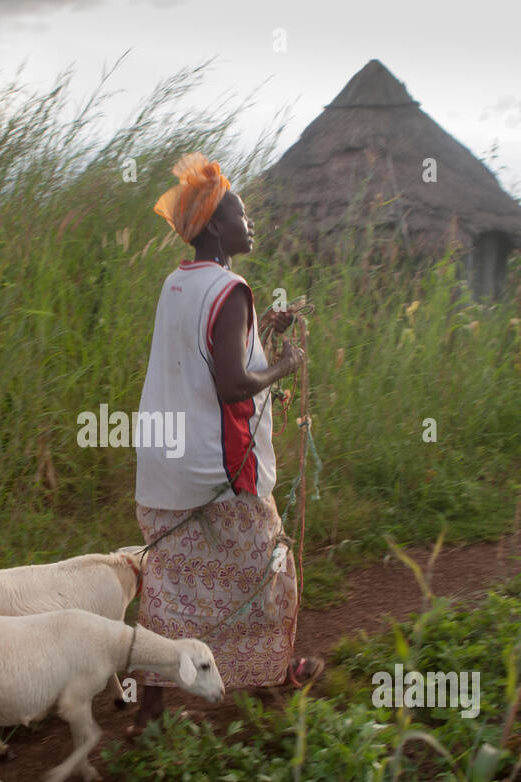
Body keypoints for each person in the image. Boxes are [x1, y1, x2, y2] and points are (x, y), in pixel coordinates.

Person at [131, 152, 325, 733]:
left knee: (170, 585)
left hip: (165, 465)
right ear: (217, 225)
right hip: (221, 470)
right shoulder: (231, 287)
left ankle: (149, 712)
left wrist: (263, 330)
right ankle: (269, 678)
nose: (251, 223)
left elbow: (209, 354)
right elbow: (232, 383)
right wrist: (286, 364)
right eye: (242, 214)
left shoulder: (178, 282)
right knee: (269, 571)